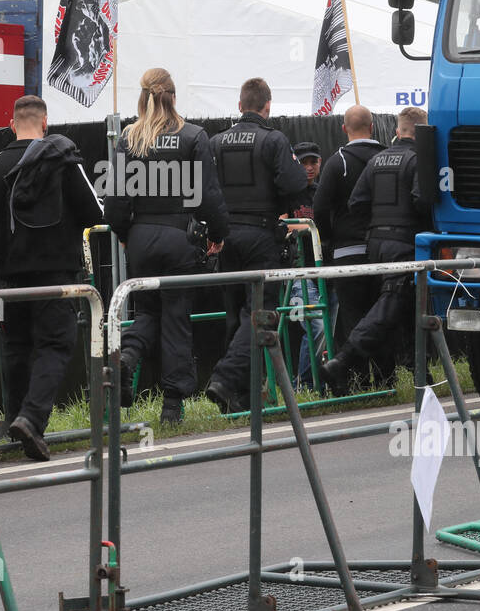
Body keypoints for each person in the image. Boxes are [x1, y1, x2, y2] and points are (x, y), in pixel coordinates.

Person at [0, 96, 104, 459]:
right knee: (55, 345)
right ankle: (32, 420)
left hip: (7, 279)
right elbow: (95, 212)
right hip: (56, 276)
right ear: (45, 124)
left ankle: (16, 424)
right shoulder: (65, 163)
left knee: (16, 348)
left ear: (11, 124)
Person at [105, 69, 228, 424]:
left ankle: (127, 358)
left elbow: (114, 202)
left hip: (141, 238)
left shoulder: (128, 139)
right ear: (173, 96)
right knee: (176, 319)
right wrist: (218, 233)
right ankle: (172, 407)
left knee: (146, 313)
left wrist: (126, 234)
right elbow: (208, 195)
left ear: (143, 97)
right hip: (179, 238)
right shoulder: (193, 135)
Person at [204, 78, 306, 413]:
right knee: (260, 315)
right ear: (267, 106)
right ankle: (224, 378)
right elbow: (295, 184)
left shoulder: (216, 142)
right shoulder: (273, 139)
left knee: (236, 315)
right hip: (261, 236)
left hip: (226, 236)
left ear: (239, 105)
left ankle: (239, 399)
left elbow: (203, 190)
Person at [321, 106, 432, 392]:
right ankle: (344, 360)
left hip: (374, 245)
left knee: (398, 308)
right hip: (404, 244)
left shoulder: (378, 160)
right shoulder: (418, 159)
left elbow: (356, 202)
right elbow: (423, 202)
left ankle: (417, 373)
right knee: (388, 307)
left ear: (398, 130)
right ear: (421, 132)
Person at [312, 105, 384, 392]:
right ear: (374, 127)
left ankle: (355, 382)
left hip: (346, 254)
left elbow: (319, 207)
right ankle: (385, 379)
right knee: (380, 317)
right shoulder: (386, 157)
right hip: (383, 254)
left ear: (344, 129)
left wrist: (330, 240)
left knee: (352, 318)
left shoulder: (337, 161)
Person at [287, 141, 328, 386]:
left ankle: (313, 383)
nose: (309, 168)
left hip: (323, 269)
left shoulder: (323, 191)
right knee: (317, 327)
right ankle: (303, 385)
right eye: (304, 163)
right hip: (298, 270)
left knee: (325, 330)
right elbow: (280, 223)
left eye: (313, 162)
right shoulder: (287, 192)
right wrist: (309, 227)